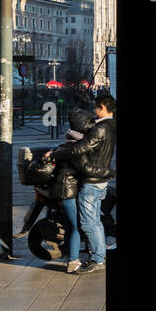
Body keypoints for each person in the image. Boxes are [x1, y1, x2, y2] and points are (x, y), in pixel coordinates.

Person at [45, 95, 116, 273]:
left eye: (96, 108)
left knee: (88, 224)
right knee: (95, 222)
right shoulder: (112, 126)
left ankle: (98, 259)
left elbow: (79, 149)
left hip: (92, 182)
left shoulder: (100, 129)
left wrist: (54, 154)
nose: (94, 112)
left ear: (102, 107)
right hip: (100, 182)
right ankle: (100, 256)